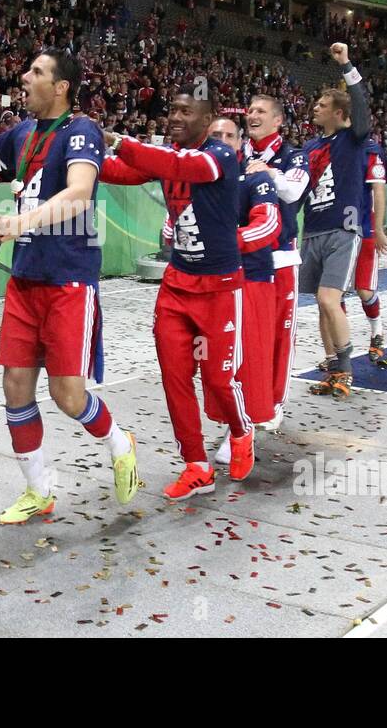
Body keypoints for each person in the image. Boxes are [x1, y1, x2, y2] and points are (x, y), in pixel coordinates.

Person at [0, 49, 140, 524]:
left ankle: (118, 441)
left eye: (36, 72)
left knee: (69, 396)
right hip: (26, 280)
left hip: (69, 280)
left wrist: (20, 221)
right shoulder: (23, 133)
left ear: (62, 86)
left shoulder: (81, 130)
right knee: (15, 387)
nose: (25, 77)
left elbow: (78, 195)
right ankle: (38, 489)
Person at [99, 83, 255, 498]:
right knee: (175, 378)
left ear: (207, 121)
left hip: (219, 288)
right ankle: (196, 465)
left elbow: (177, 165)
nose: (174, 117)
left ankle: (241, 431)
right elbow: (122, 171)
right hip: (177, 285)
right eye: (172, 109)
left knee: (218, 382)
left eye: (186, 111)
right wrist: (80, 157)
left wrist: (116, 140)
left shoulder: (219, 155)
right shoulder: (170, 158)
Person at [299, 43, 371, 398]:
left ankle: (345, 368)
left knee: (331, 299)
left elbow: (362, 107)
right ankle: (330, 367)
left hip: (344, 227)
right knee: (321, 304)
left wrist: (346, 65)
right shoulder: (309, 148)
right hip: (312, 230)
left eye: (323, 105)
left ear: (340, 112)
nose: (316, 107)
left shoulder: (353, 139)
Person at [208, 115, 281, 467]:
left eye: (228, 135)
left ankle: (242, 427)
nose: (222, 140)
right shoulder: (199, 176)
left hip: (250, 277)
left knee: (243, 358)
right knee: (214, 359)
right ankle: (232, 423)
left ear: (240, 142)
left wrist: (224, 244)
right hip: (211, 281)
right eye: (215, 135)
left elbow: (268, 225)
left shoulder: (255, 176)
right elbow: (174, 224)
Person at [241, 94, 308, 422]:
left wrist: (265, 170)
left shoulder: (293, 156)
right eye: (250, 109)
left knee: (280, 336)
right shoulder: (238, 154)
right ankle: (243, 404)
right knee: (244, 335)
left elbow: (294, 192)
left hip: (279, 259)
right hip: (243, 261)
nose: (252, 115)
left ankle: (274, 404)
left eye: (260, 111)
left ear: (278, 120)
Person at [350, 135, 387, 359]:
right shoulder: (327, 144)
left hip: (363, 228)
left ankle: (377, 330)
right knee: (331, 295)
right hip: (335, 230)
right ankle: (337, 353)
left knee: (364, 290)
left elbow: (379, 190)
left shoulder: (370, 149)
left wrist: (379, 229)